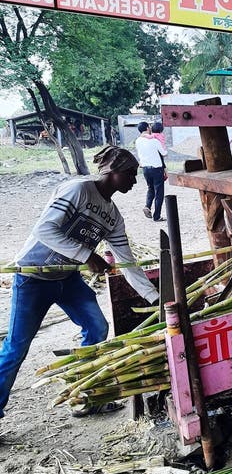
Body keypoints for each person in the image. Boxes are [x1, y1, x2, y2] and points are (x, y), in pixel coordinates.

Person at [0, 147, 159, 420]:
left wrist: (155, 298)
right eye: (130, 174)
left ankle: (87, 398)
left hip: (67, 278)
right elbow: (44, 229)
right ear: (113, 171)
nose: (134, 181)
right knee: (16, 348)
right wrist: (86, 255)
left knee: (97, 327)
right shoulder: (78, 190)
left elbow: (127, 263)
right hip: (33, 277)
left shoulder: (113, 216)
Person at [135, 121, 167, 221]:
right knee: (159, 193)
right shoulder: (154, 141)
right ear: (147, 128)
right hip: (157, 169)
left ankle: (147, 206)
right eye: (149, 126)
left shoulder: (137, 141)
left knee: (150, 188)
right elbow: (164, 153)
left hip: (145, 169)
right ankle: (157, 216)